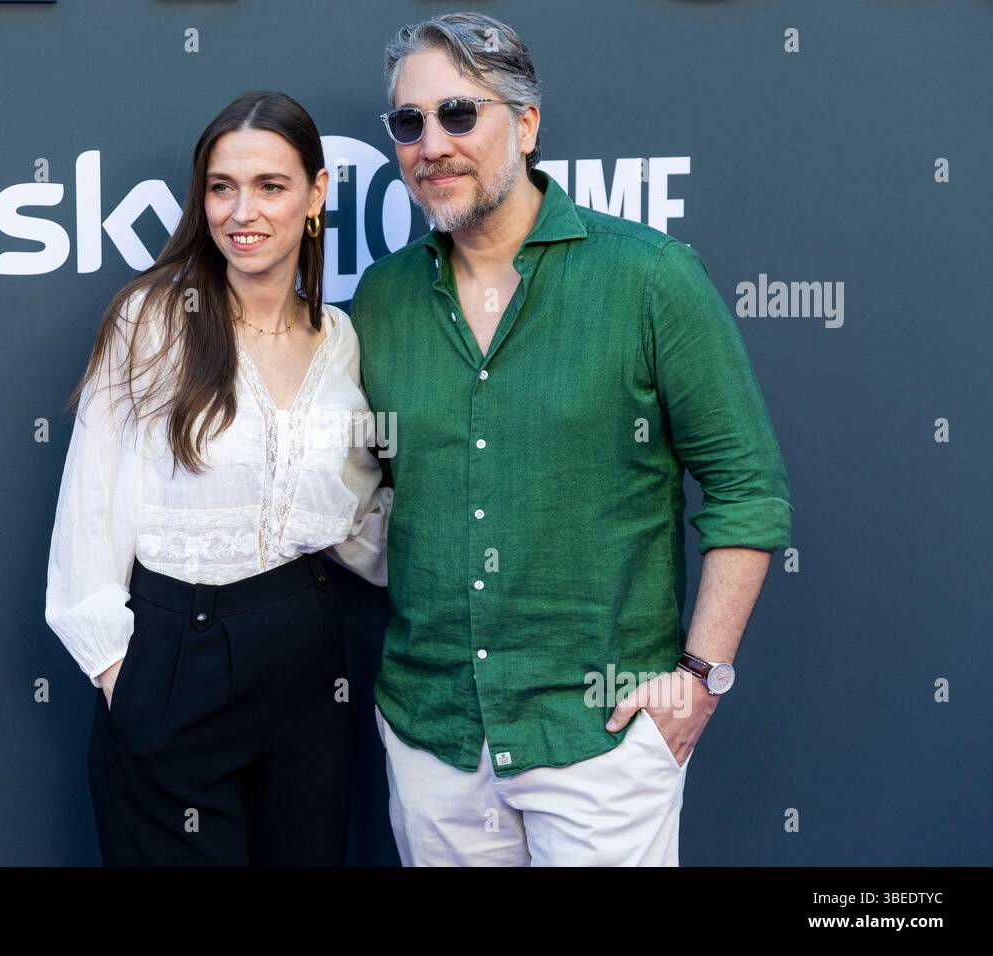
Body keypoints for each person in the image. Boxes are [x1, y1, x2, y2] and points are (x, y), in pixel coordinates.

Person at [350, 12, 792, 865]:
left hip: (603, 736)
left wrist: (700, 681)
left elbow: (748, 490)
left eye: (459, 114)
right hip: (431, 733)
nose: (430, 143)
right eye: (408, 122)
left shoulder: (649, 276)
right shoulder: (382, 298)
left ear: (526, 123)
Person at [44, 90, 392, 866]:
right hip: (175, 654)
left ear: (317, 193)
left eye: (270, 185)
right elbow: (89, 514)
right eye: (222, 186)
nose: (244, 211)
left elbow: (361, 516)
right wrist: (122, 679)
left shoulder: (337, 338)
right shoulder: (152, 321)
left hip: (308, 653)